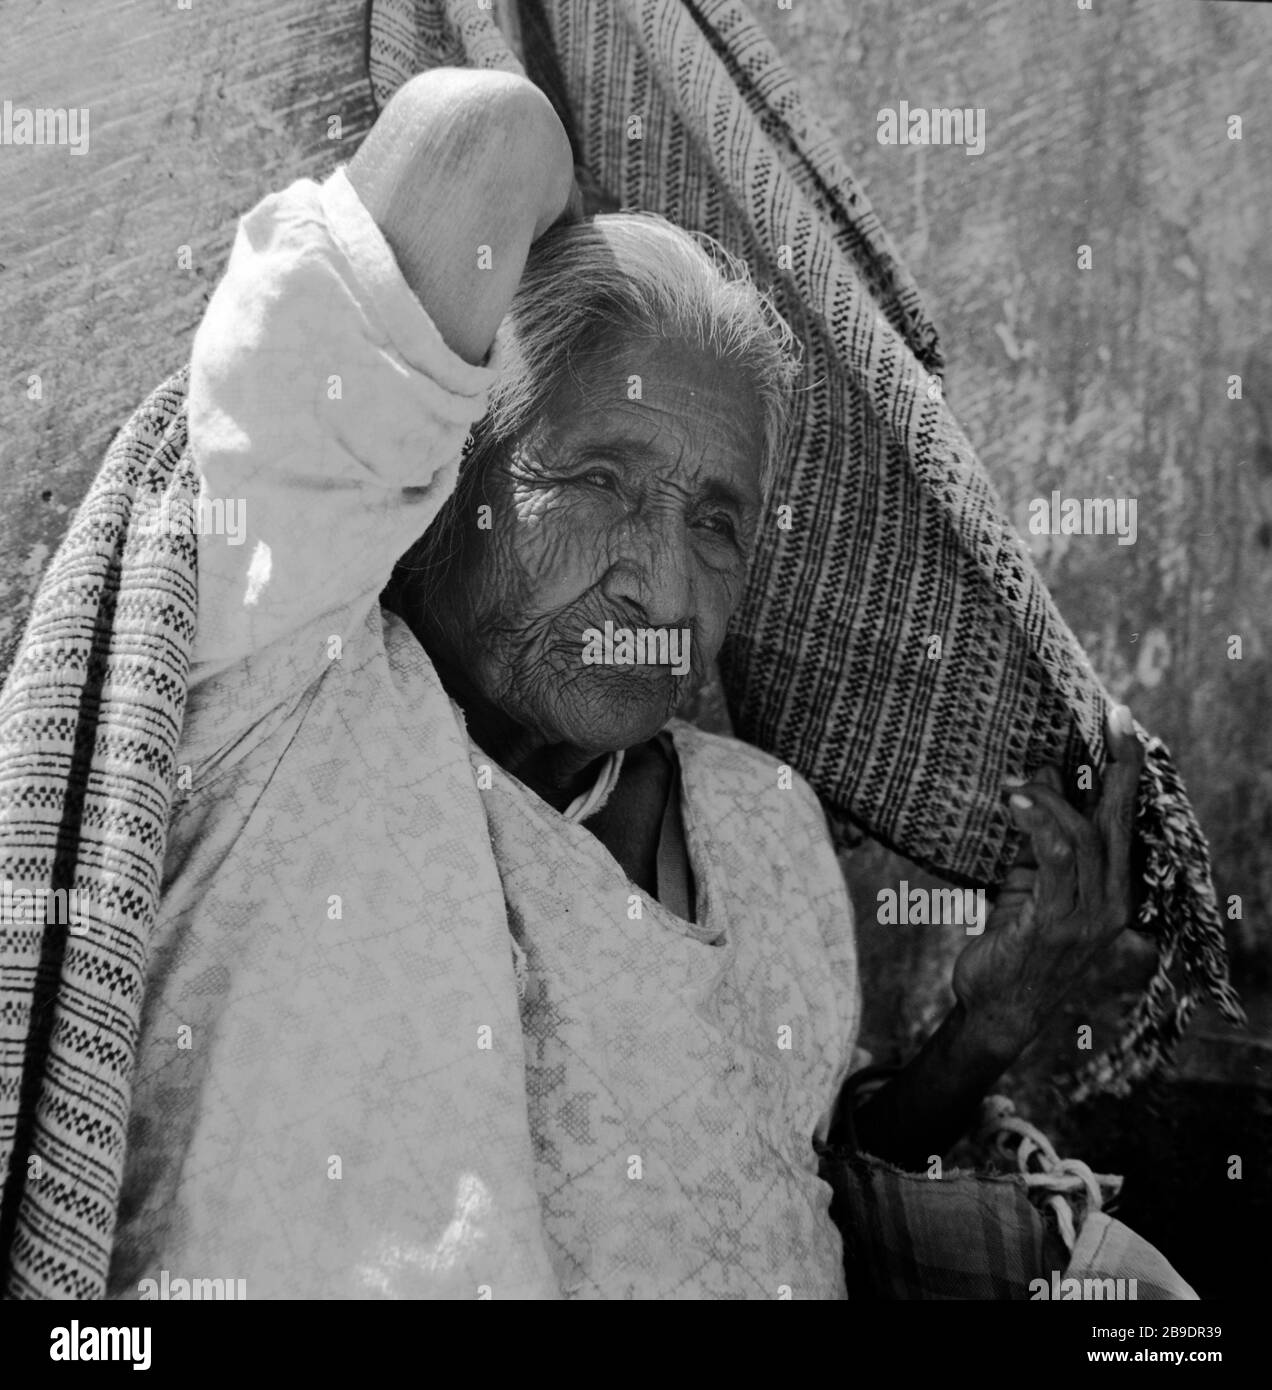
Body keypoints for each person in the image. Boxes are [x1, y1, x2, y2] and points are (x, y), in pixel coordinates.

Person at [107, 66, 1143, 1299]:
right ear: (449, 470)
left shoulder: (760, 828)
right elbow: (474, 144)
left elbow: (791, 1191)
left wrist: (986, 1026)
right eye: (597, 478)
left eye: (717, 522)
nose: (660, 587)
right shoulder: (296, 692)